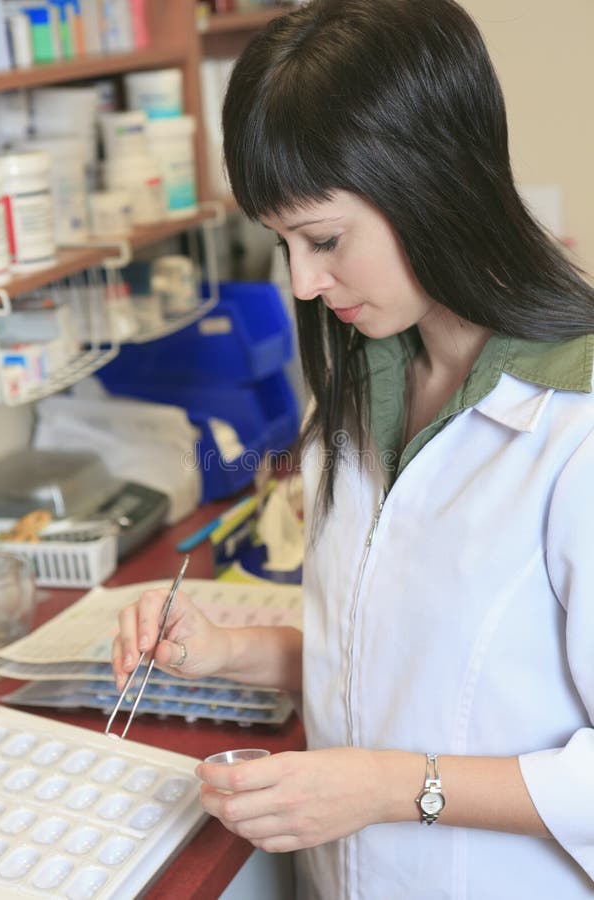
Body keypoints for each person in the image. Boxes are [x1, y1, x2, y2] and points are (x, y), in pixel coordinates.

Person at [112, 1, 594, 897]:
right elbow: (403, 662)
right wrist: (228, 651)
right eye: (284, 242)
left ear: (435, 184)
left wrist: (387, 786)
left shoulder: (577, 429)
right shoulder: (363, 386)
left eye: (325, 239)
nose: (302, 279)